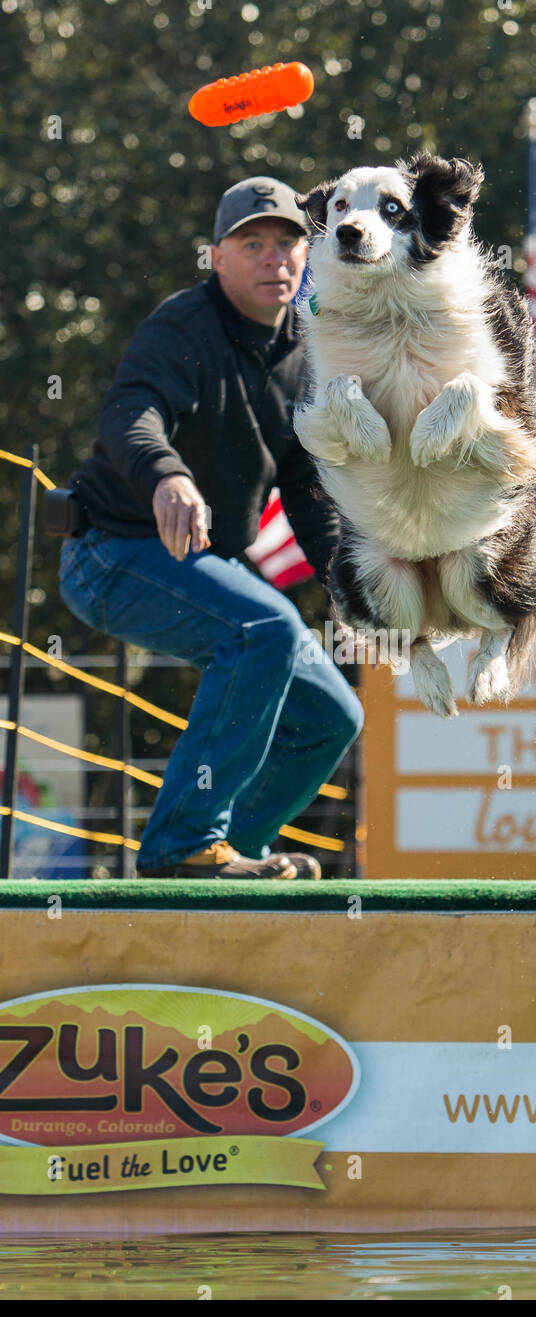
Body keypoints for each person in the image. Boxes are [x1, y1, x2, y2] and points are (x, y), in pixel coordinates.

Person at [59, 176, 364, 880]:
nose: (273, 259)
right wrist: (167, 474)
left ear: (308, 253)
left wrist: (346, 583)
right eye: (251, 244)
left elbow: (307, 489)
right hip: (111, 553)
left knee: (329, 718)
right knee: (265, 631)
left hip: (196, 563)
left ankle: (233, 853)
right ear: (215, 258)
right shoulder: (181, 327)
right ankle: (183, 843)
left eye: (287, 243)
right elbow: (129, 415)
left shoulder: (306, 349)